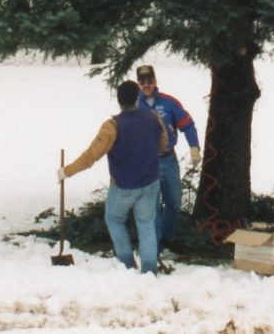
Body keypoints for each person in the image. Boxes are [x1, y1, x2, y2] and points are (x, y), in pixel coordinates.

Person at [58, 80, 168, 274]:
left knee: (114, 219)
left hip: (124, 186)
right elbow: (162, 145)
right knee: (146, 224)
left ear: (119, 101)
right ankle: (150, 271)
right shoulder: (153, 117)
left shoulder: (112, 126)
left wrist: (67, 171)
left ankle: (126, 264)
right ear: (138, 98)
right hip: (151, 182)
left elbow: (91, 156)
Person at [135, 64, 201, 248]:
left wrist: (194, 147)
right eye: (142, 82)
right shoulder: (134, 106)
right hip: (147, 162)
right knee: (152, 205)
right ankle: (154, 245)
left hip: (168, 158)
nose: (146, 85)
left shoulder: (169, 102)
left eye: (149, 81)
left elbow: (187, 125)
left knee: (174, 201)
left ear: (155, 81)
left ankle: (168, 237)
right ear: (138, 84)